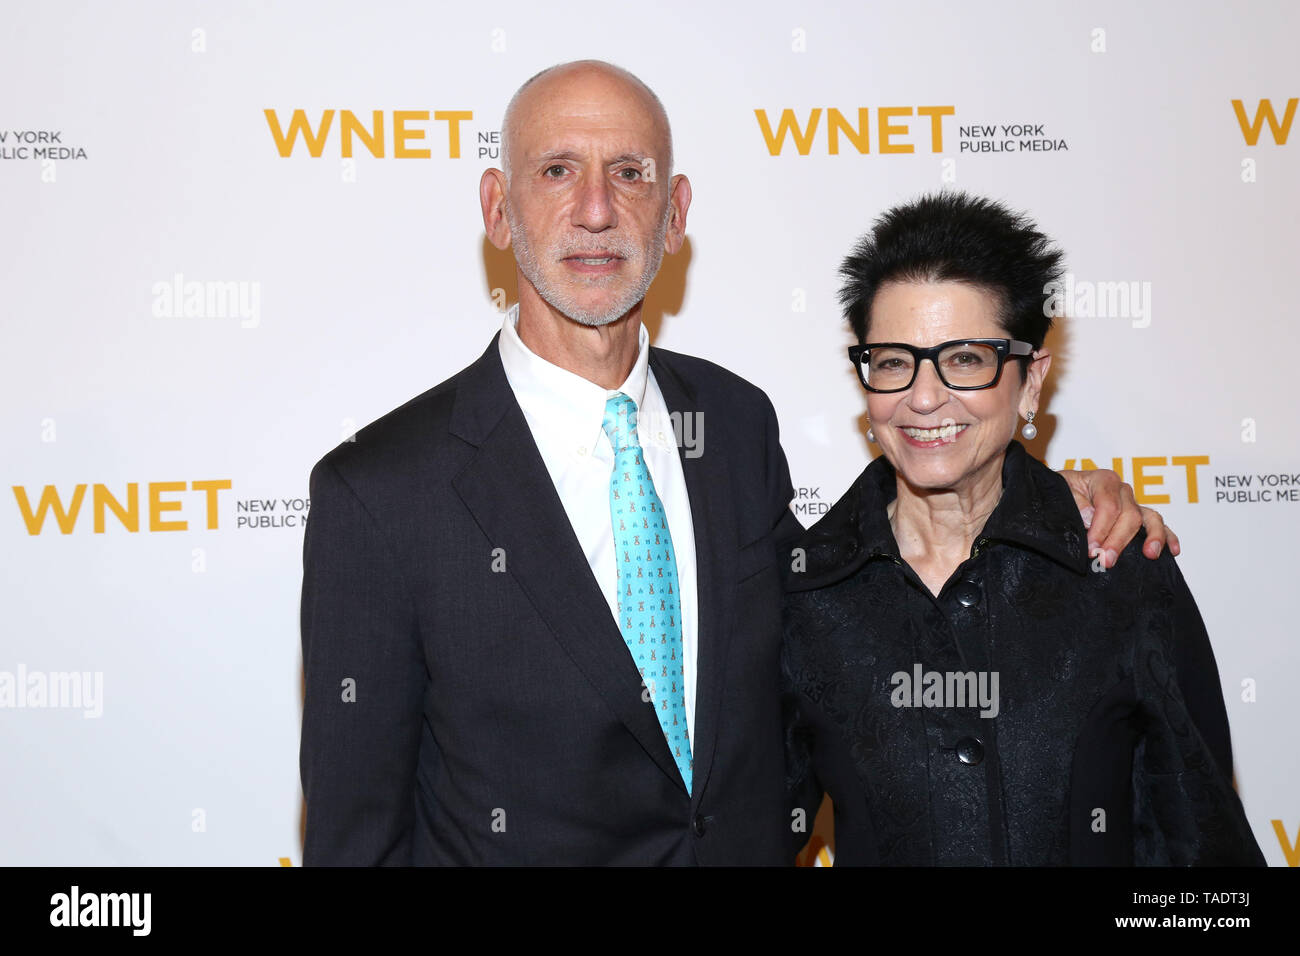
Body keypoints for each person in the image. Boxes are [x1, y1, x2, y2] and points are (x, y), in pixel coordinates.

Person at [299, 62, 1171, 865]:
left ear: (675, 213)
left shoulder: (734, 423)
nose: (597, 210)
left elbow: (849, 600)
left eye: (631, 174)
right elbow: (358, 840)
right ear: (497, 208)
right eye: (557, 170)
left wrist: (1051, 503)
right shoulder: (380, 494)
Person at [781, 192, 1264, 865]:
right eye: (893, 360)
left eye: (966, 359)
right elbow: (751, 829)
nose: (924, 397)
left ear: (1031, 380)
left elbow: (1202, 850)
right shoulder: (806, 593)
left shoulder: (1116, 562)